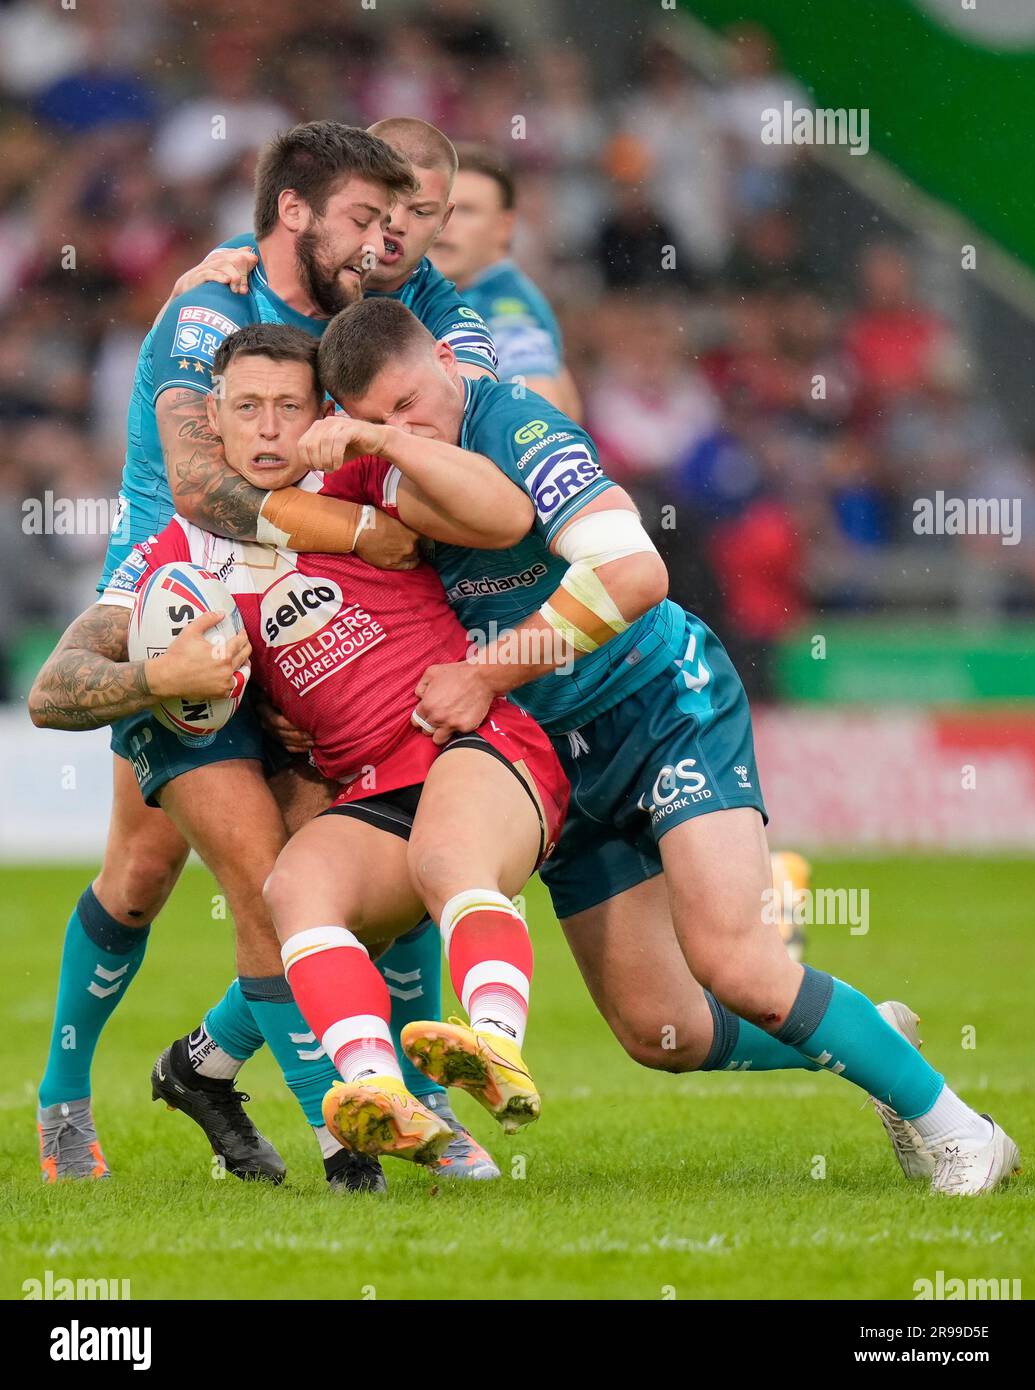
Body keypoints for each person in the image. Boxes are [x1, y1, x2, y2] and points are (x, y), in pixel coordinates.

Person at [302, 297, 1020, 1196]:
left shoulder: (517, 423)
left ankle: (961, 1132)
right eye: (377, 421)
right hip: (551, 754)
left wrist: (484, 675)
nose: (404, 429)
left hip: (659, 704)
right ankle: (864, 1035)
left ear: (449, 362)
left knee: (736, 962)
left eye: (413, 405)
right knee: (661, 1034)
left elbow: (636, 573)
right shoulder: (377, 463)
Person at [33, 121, 490, 1187]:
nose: (395, 238)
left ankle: (278, 1084)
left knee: (376, 858)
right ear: (302, 211)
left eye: (415, 217)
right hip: (177, 598)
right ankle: (90, 1102)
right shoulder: (211, 304)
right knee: (180, 875)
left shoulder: (406, 309)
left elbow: (458, 416)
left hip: (308, 617)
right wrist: (366, 533)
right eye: (377, 215)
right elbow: (201, 488)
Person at [30, 322, 567, 1169]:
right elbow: (51, 692)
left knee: (410, 889)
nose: (270, 428)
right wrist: (163, 676)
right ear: (214, 416)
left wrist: (384, 447)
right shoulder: (175, 555)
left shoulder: (359, 482)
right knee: (241, 886)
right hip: (346, 772)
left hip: (459, 740)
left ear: (319, 410)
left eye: (289, 407)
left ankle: (366, 1080)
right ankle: (348, 1131)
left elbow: (504, 514)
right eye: (248, 408)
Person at [429, 143, 581, 419]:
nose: (446, 223)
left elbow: (540, 417)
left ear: (504, 227)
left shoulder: (508, 311)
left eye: (466, 210)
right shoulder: (445, 293)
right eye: (437, 208)